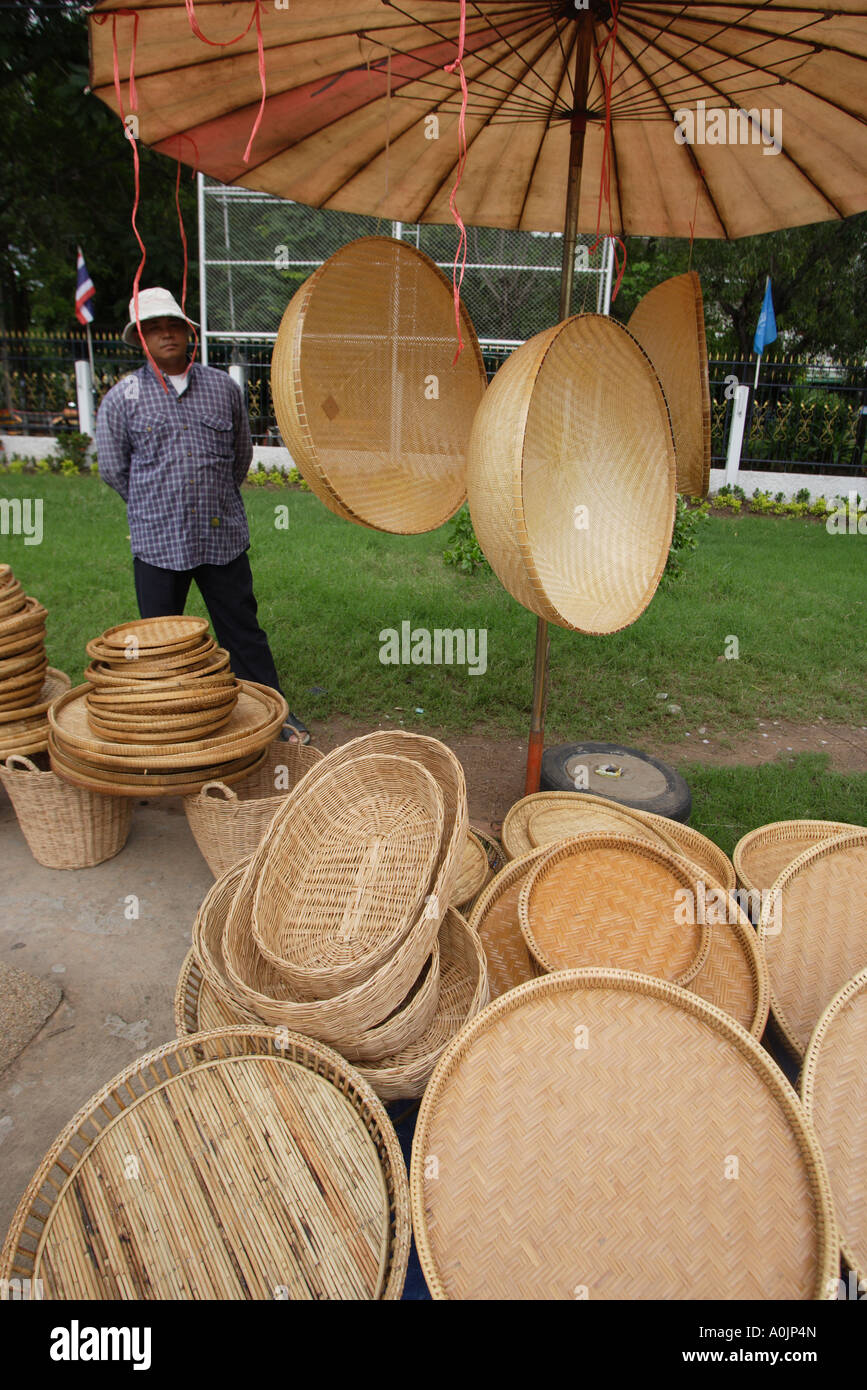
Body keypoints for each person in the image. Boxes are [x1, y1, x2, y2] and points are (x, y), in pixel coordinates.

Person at [95, 287, 309, 744]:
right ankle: (166, 727)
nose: (166, 334)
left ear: (188, 332)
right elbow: (114, 469)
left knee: (243, 632)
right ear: (141, 339)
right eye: (154, 329)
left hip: (221, 538)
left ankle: (275, 718)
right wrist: (155, 506)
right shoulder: (122, 398)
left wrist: (213, 500)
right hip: (157, 543)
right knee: (158, 644)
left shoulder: (222, 388)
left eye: (173, 325)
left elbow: (239, 455)